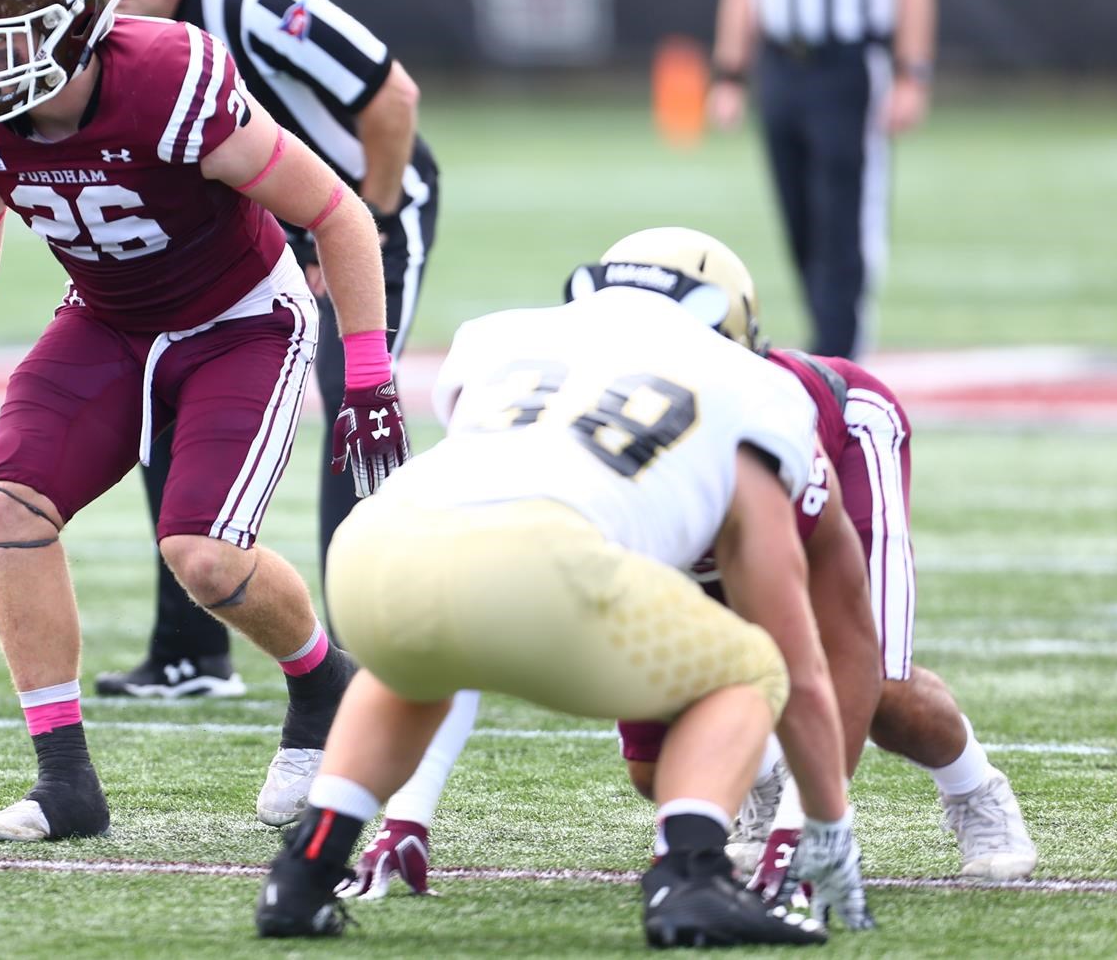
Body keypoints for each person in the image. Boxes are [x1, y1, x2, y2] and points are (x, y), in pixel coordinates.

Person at [0, 0, 409, 841]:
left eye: (1, 41)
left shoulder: (172, 79)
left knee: (204, 555)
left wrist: (370, 375)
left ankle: (321, 686)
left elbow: (336, 213)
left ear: (76, 30)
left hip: (239, 319)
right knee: (12, 505)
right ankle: (65, 780)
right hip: (106, 316)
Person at [257, 229, 874, 946]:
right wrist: (828, 831)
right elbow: (795, 651)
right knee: (754, 666)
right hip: (546, 556)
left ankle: (303, 872)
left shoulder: (503, 335)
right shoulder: (757, 386)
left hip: (375, 547)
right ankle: (693, 875)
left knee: (415, 663)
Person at [345, 338, 1036, 899]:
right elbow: (463, 625)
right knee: (654, 768)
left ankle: (973, 788)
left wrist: (801, 837)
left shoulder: (757, 423)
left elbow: (831, 660)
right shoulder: (562, 448)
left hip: (816, 473)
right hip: (677, 514)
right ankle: (758, 775)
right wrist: (406, 815)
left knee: (874, 683)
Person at [72, 0, 440, 700]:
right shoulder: (101, 21)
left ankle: (366, 648)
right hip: (248, 226)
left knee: (357, 393)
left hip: (361, 206)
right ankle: (189, 652)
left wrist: (366, 226)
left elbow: (392, 97)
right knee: (164, 386)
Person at [709, 0, 938, 359]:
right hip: (781, 64)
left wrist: (913, 72)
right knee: (798, 216)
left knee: (843, 217)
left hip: (847, 65)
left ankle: (841, 353)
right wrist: (729, 71)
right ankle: (828, 338)